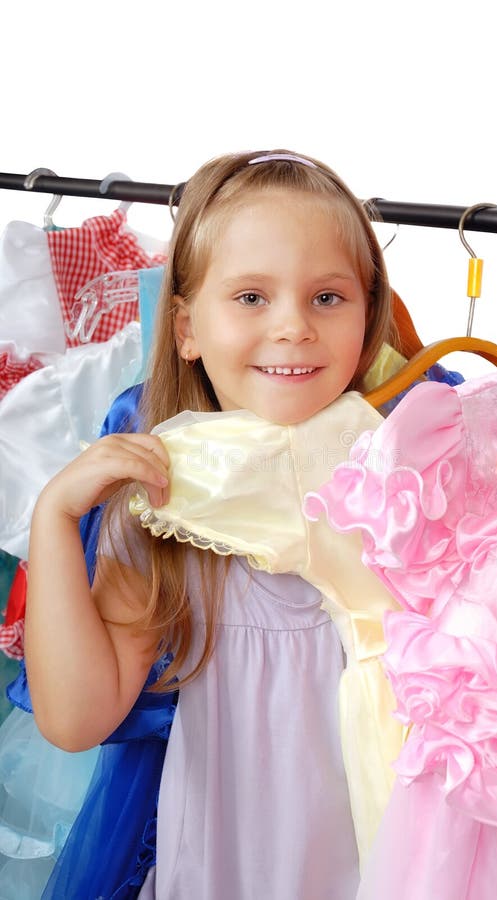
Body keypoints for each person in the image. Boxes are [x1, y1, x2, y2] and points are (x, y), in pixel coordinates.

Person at [24, 150, 405, 899]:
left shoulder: (406, 485)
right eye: (253, 297)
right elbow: (75, 719)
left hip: (381, 861)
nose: (293, 326)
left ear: (368, 317)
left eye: (327, 298)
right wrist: (55, 515)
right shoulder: (168, 503)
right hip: (225, 866)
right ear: (188, 327)